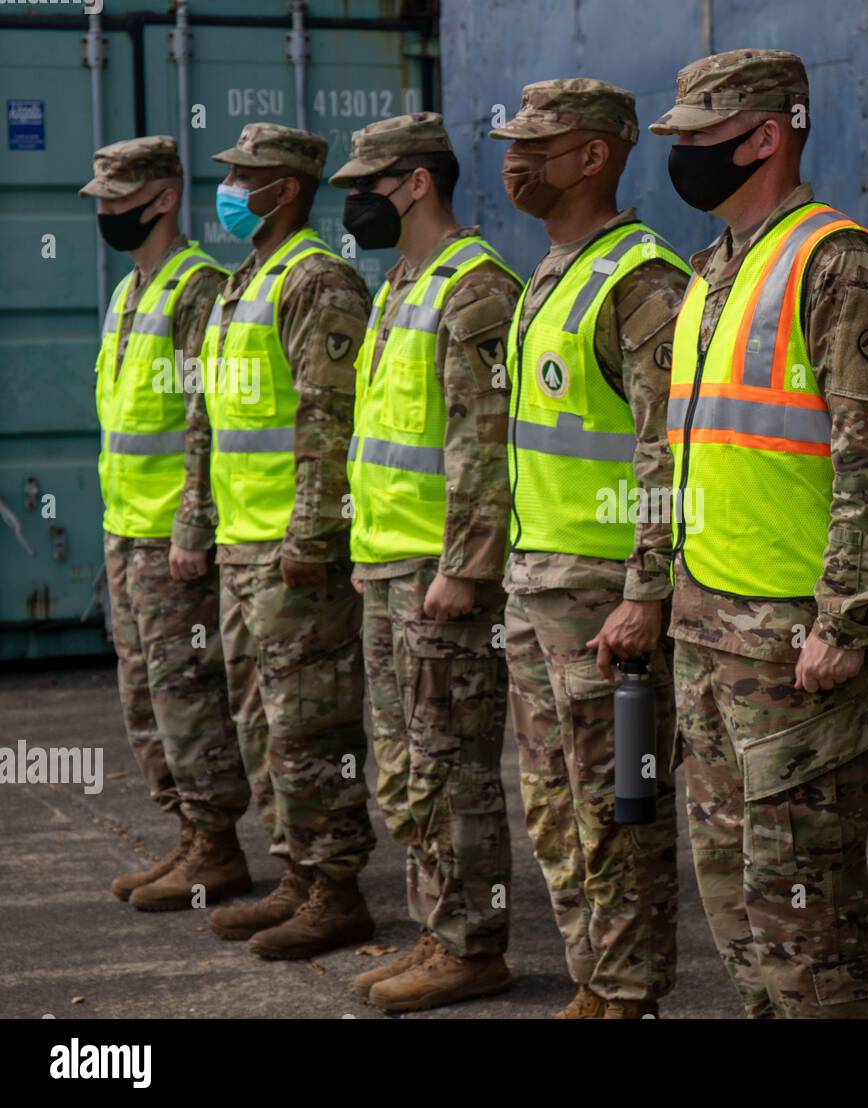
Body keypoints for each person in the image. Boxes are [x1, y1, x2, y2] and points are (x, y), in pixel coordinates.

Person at [651, 48, 868, 1019]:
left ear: (763, 136)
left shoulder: (839, 262)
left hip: (791, 651)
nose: (679, 156)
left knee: (809, 921)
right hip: (708, 630)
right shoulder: (712, 268)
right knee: (738, 906)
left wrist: (844, 624)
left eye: (695, 138)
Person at [490, 78, 687, 1019]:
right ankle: (593, 982)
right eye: (511, 143)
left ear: (594, 156)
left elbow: (668, 453)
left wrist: (647, 592)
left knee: (618, 811)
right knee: (554, 806)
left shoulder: (641, 281)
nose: (513, 161)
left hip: (605, 596)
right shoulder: (552, 272)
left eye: (537, 144)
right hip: (539, 588)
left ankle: (630, 990)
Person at [328, 112, 521, 1010]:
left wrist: (468, 566)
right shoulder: (403, 281)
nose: (355, 202)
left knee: (455, 768)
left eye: (367, 185)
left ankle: (473, 945)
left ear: (415, 183)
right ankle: (437, 931)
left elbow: (484, 444)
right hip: (391, 565)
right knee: (408, 765)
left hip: (439, 576)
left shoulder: (474, 288)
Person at [200, 124, 377, 960]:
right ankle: (298, 875)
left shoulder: (317, 281)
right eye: (230, 173)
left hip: (289, 549)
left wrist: (311, 533)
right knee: (264, 725)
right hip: (245, 544)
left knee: (311, 725)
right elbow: (223, 421)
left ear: (290, 189)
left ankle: (336, 887)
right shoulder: (247, 282)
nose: (230, 187)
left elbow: (327, 421)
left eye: (246, 176)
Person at [81, 136, 251, 912]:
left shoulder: (195, 289)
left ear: (164, 198)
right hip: (127, 527)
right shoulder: (129, 292)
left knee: (187, 698)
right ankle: (187, 832)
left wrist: (193, 524)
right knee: (143, 699)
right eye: (102, 202)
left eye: (119, 200)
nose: (107, 213)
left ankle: (216, 847)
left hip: (168, 540)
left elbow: (202, 418)